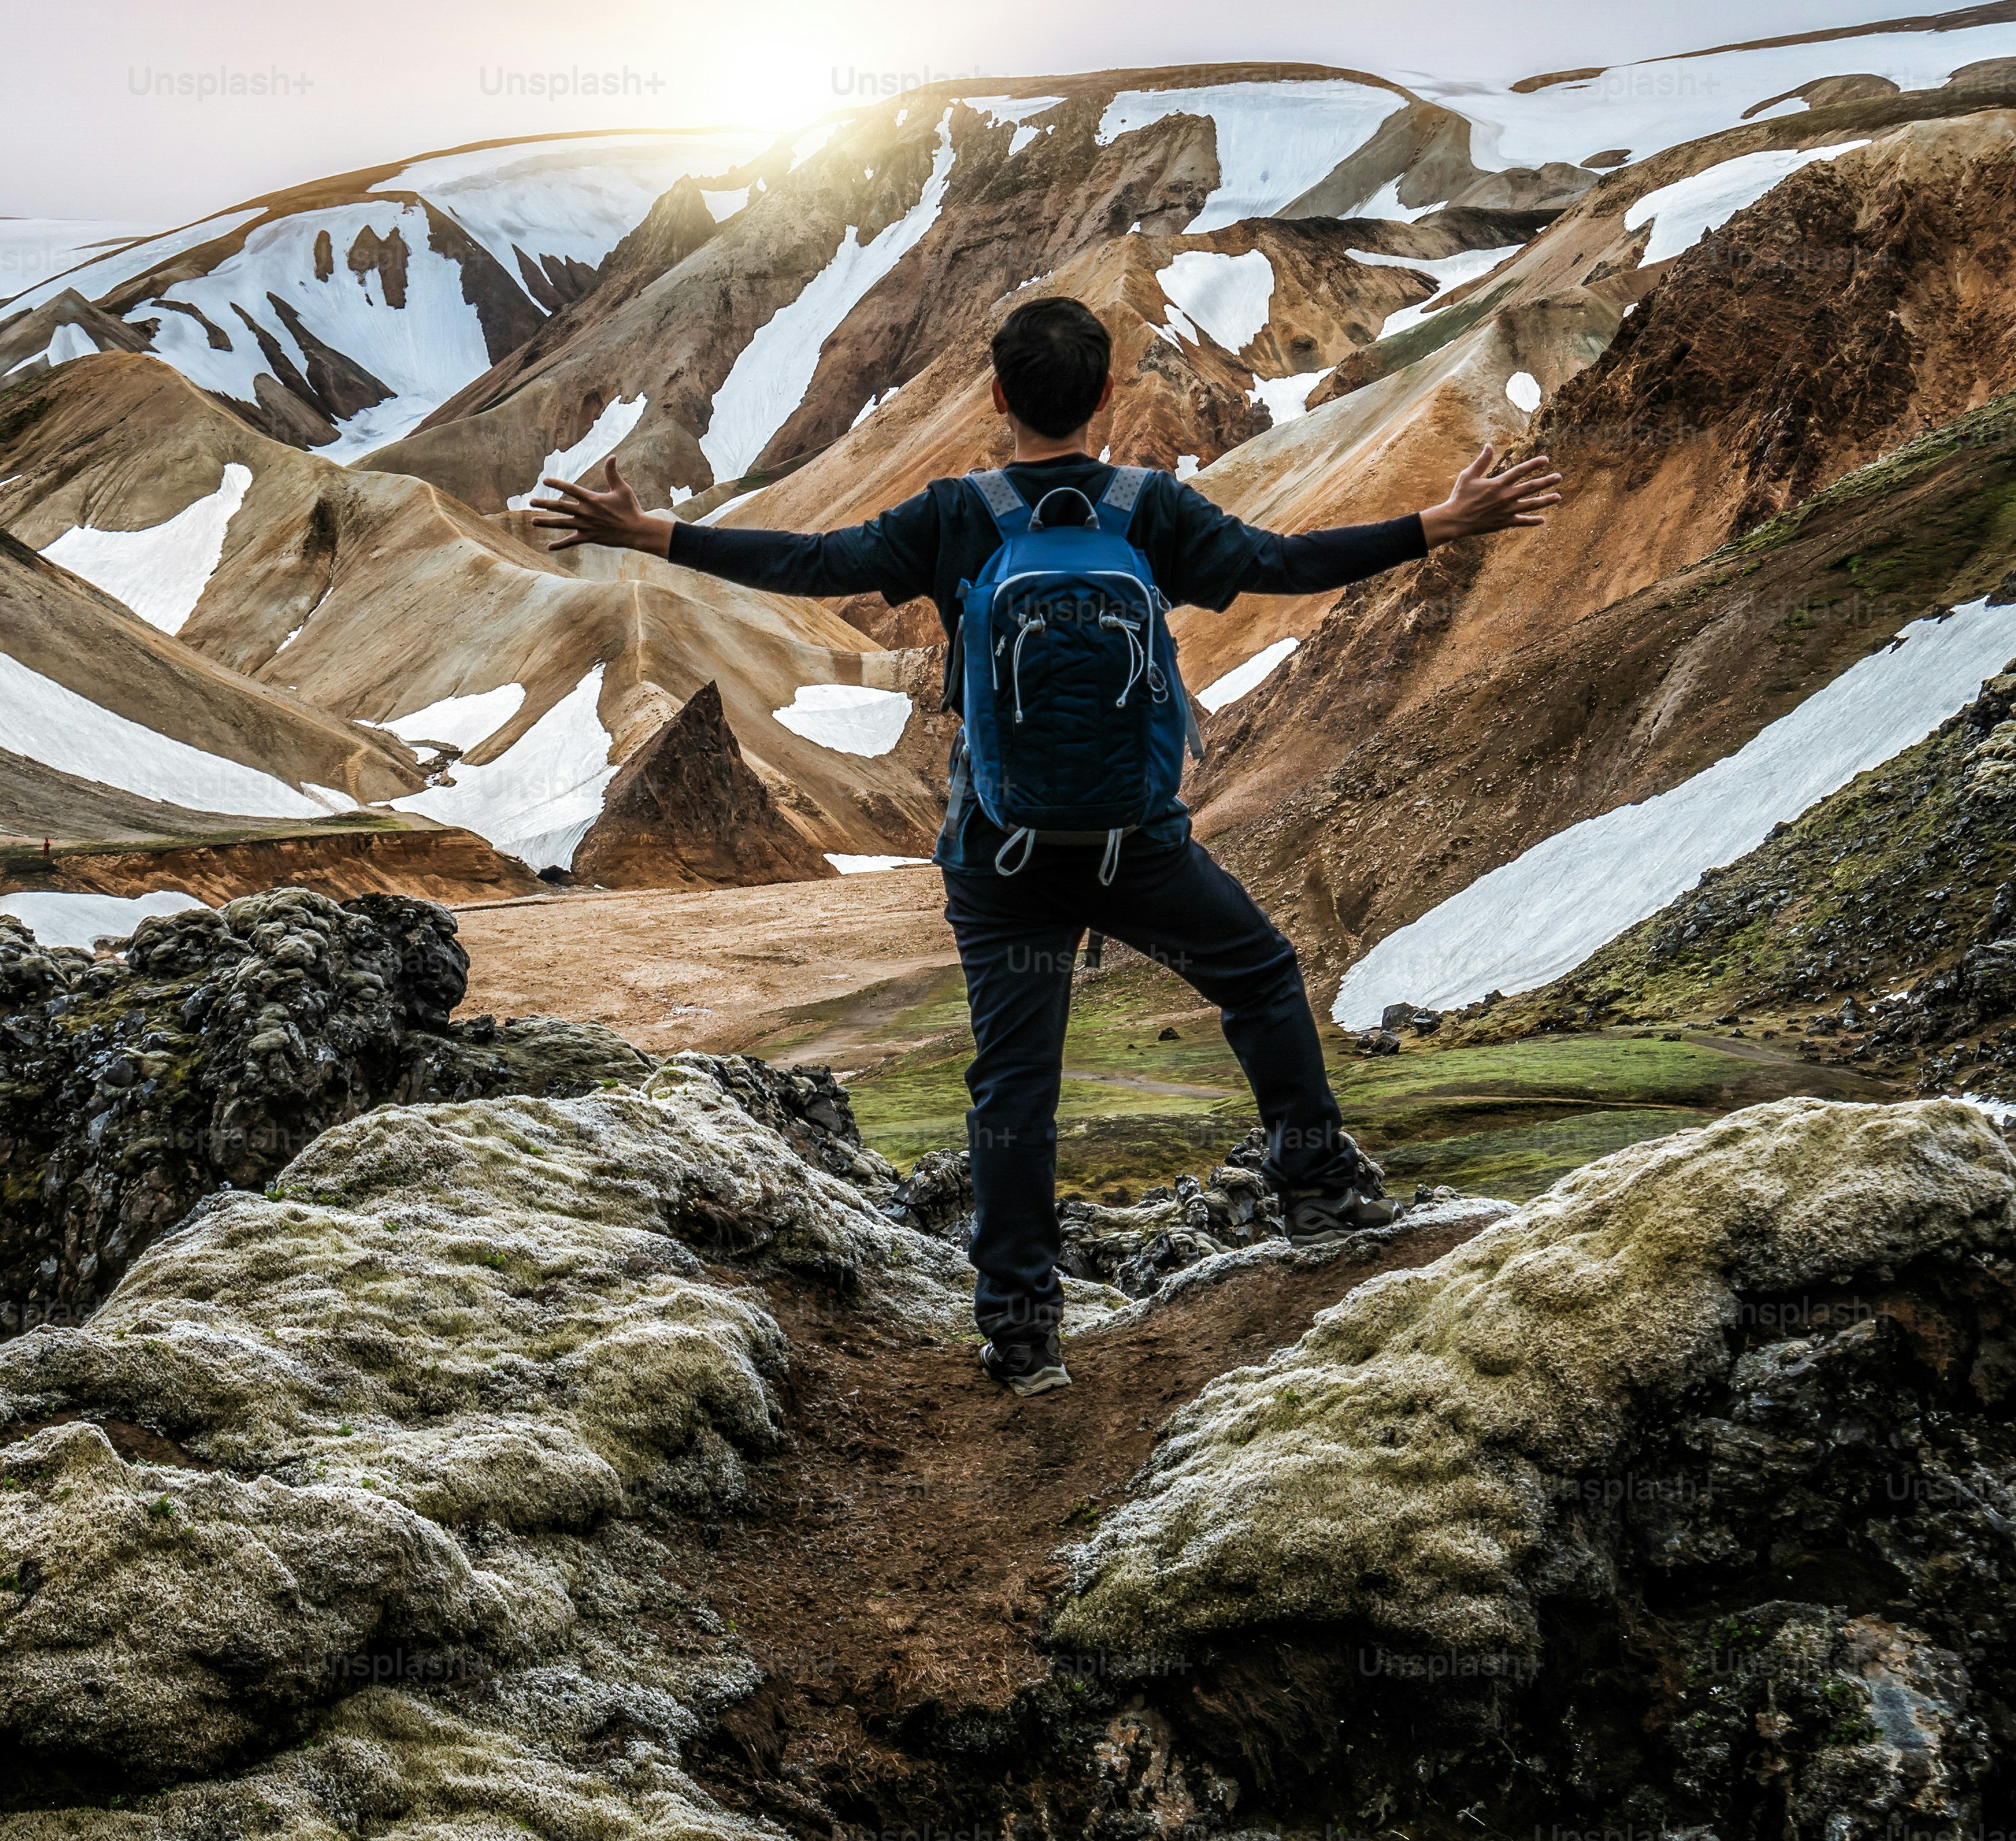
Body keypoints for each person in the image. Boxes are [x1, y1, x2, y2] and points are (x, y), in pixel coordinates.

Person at [529, 297, 1561, 1396]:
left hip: (1000, 857)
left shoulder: (953, 517)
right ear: (1108, 396)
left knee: (1014, 1087)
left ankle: (1021, 1328)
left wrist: (651, 535)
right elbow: (1282, 564)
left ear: (995, 396)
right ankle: (1315, 1185)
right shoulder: (1150, 508)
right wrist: (1438, 526)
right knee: (1258, 973)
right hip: (1138, 848)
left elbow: (814, 563)